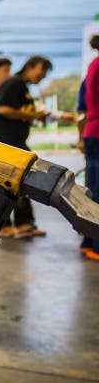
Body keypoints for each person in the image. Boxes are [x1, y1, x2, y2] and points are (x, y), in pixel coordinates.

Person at [0, 55, 52, 239]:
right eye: (41, 71)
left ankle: (24, 223)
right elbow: (3, 110)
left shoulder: (21, 86)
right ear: (30, 67)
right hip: (6, 142)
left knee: (22, 182)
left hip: (15, 141)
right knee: (9, 184)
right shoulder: (14, 83)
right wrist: (33, 116)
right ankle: (5, 226)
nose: (43, 76)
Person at [82, 35, 99, 261]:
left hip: (92, 131)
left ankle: (89, 241)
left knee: (93, 190)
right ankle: (97, 245)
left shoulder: (93, 65)